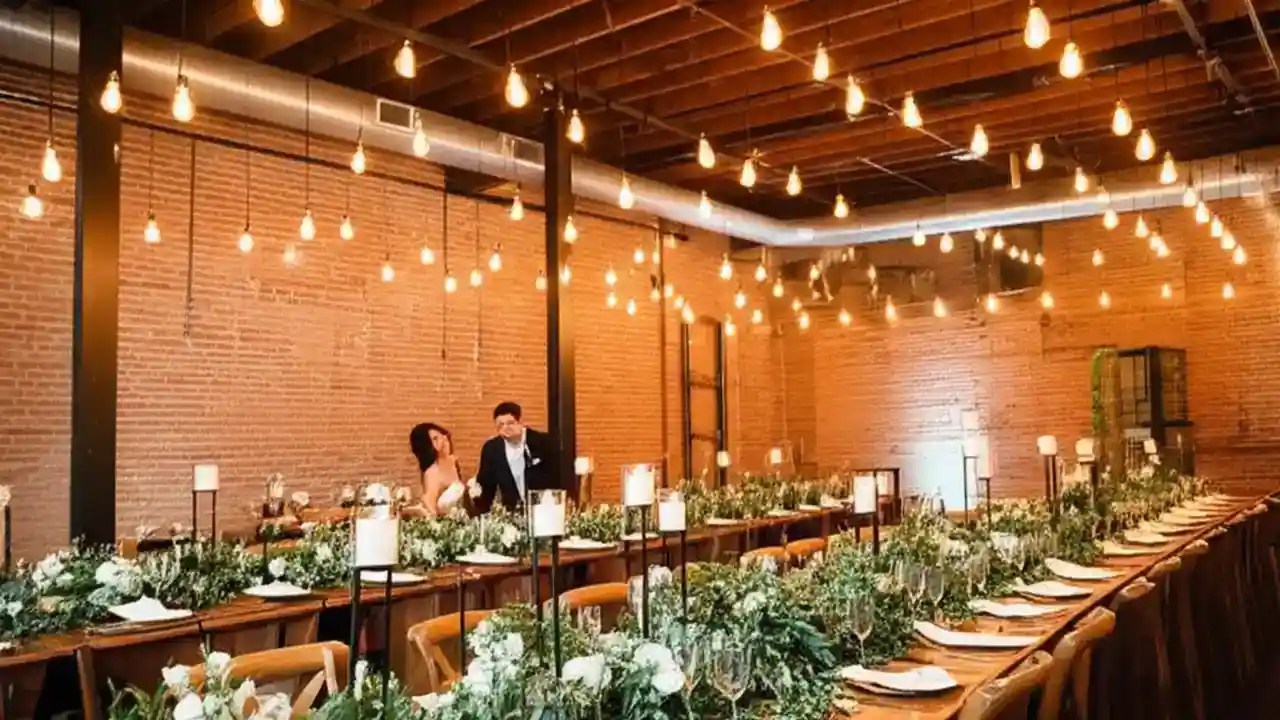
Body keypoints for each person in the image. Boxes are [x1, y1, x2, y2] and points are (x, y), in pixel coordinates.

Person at [474, 401, 555, 513]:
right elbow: (486, 486)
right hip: (511, 512)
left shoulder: (543, 442)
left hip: (543, 509)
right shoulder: (491, 449)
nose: (505, 428)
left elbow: (556, 476)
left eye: (510, 423)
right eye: (500, 425)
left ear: (520, 422)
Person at [408, 422, 466, 516]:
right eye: (435, 439)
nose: (443, 439)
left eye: (442, 434)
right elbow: (429, 507)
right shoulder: (432, 473)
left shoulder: (453, 463)